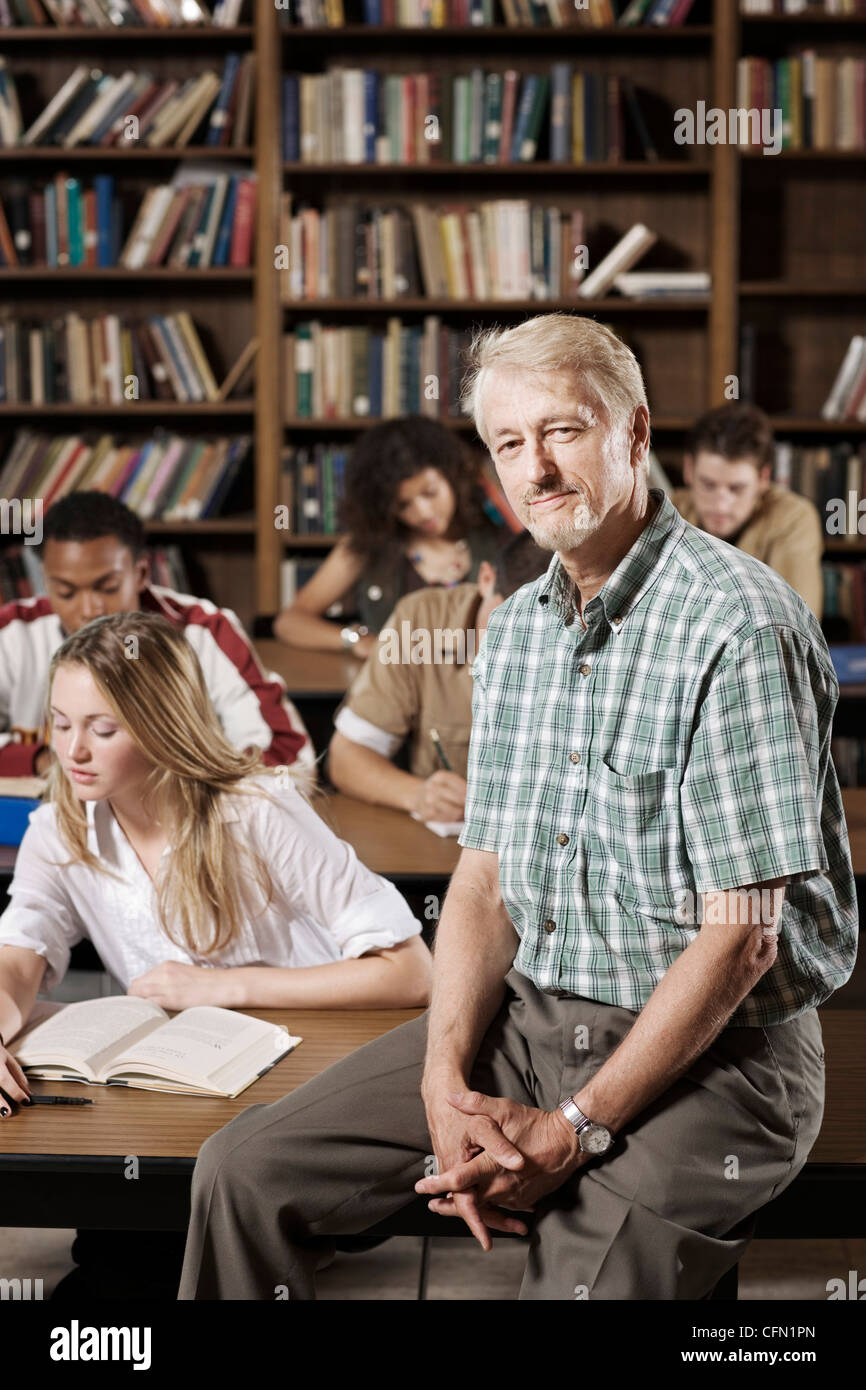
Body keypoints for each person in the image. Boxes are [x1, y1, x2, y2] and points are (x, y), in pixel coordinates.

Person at [177, 313, 856, 1301]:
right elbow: (484, 877)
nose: (532, 468)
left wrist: (574, 1126)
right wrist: (441, 1082)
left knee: (567, 1283)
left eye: (560, 431)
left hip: (720, 1053)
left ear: (632, 433)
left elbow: (740, 944)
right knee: (239, 1172)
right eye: (506, 443)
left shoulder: (738, 622)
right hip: (533, 1016)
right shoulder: (519, 635)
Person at [0, 610, 431, 1300]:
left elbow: (412, 971)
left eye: (102, 729)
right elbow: (19, 954)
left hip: (310, 1092)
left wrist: (223, 988)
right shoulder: (61, 827)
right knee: (115, 1231)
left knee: (125, 1255)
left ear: (163, 725)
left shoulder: (258, 810)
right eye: (59, 723)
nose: (72, 750)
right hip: (184, 1093)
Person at [0, 491, 316, 787]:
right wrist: (44, 761)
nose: (89, 610)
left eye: (108, 587)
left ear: (140, 573)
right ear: (45, 581)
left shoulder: (204, 631)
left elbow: (291, 756)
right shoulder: (11, 632)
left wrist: (190, 785)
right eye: (66, 592)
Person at [327, 531, 549, 823]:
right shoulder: (421, 621)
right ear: (485, 579)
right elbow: (346, 757)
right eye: (503, 628)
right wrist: (418, 794)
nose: (513, 654)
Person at [273, 416, 503, 659]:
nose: (423, 513)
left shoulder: (498, 534)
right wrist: (357, 641)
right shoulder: (366, 545)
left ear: (453, 478)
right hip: (395, 690)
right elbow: (289, 622)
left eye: (430, 492)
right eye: (403, 504)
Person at [670, 402, 824, 617]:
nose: (720, 505)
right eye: (708, 485)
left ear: (763, 479)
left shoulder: (794, 517)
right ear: (689, 470)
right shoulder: (666, 509)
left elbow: (794, 623)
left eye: (736, 488)